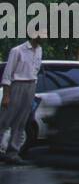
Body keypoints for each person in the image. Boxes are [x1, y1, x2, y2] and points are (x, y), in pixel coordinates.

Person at [0, 30, 43, 163]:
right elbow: (7, 74)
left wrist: (32, 90)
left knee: (21, 122)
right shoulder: (17, 50)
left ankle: (12, 153)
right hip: (17, 85)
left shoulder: (40, 50)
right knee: (5, 120)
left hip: (30, 86)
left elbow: (35, 70)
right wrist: (6, 95)